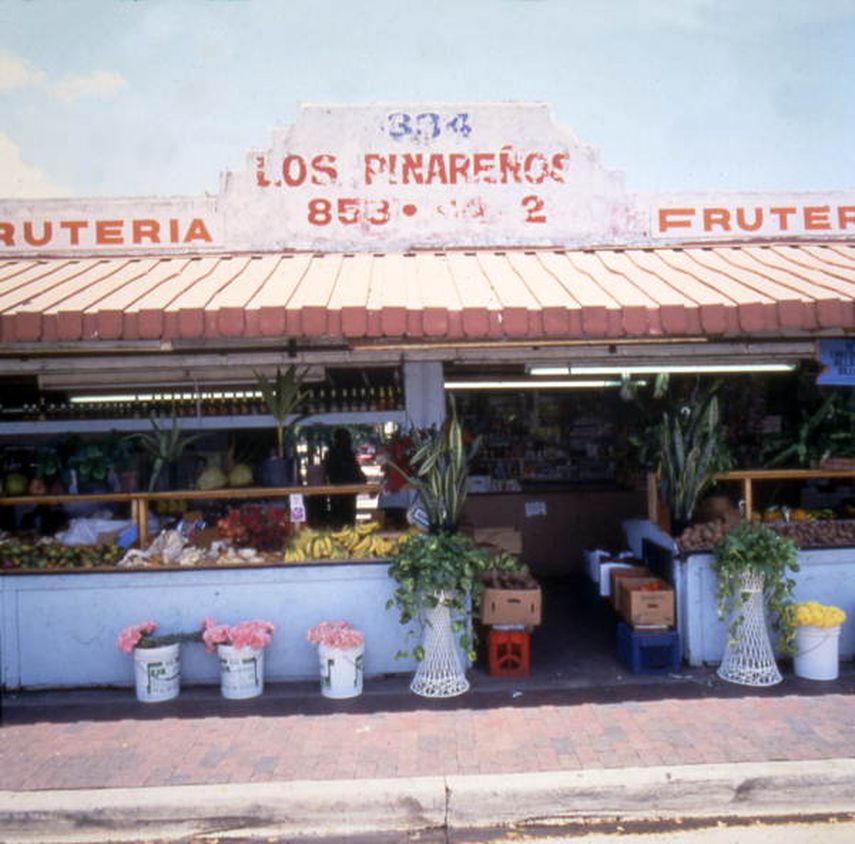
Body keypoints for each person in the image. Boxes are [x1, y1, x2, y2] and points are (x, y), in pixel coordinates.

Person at [324, 428, 366, 526]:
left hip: (347, 494)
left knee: (347, 521)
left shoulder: (346, 453)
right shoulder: (336, 454)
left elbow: (356, 471)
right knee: (342, 521)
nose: (349, 441)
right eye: (346, 439)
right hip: (339, 494)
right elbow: (348, 471)